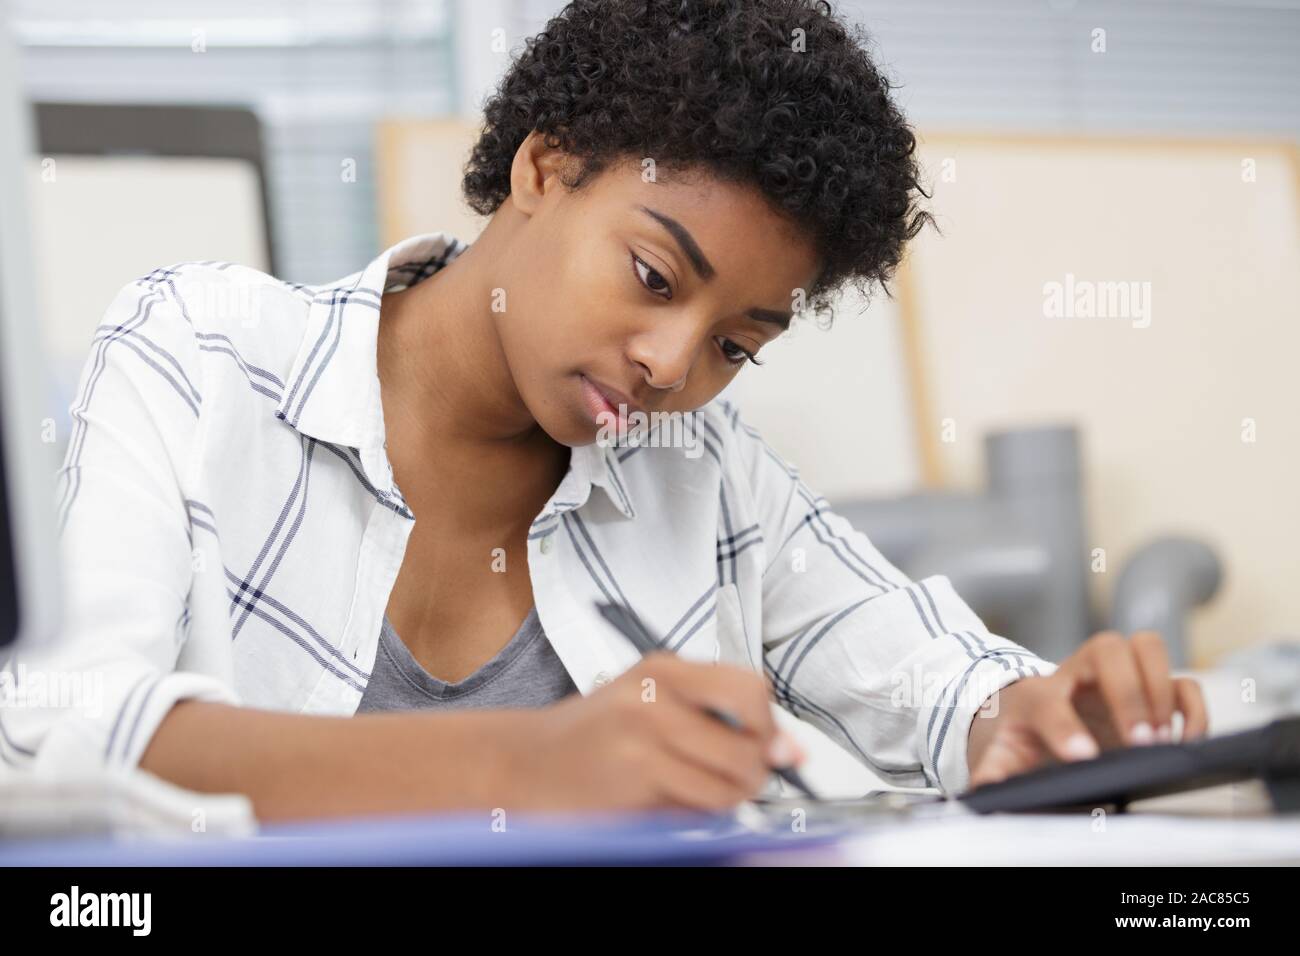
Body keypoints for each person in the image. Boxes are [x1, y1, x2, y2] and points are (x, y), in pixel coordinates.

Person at [0, 0, 1204, 822]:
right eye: (652, 277)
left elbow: (929, 677)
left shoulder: (703, 466)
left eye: (738, 341)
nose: (674, 365)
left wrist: (1022, 714)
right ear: (543, 166)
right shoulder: (204, 353)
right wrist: (522, 761)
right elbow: (65, 731)